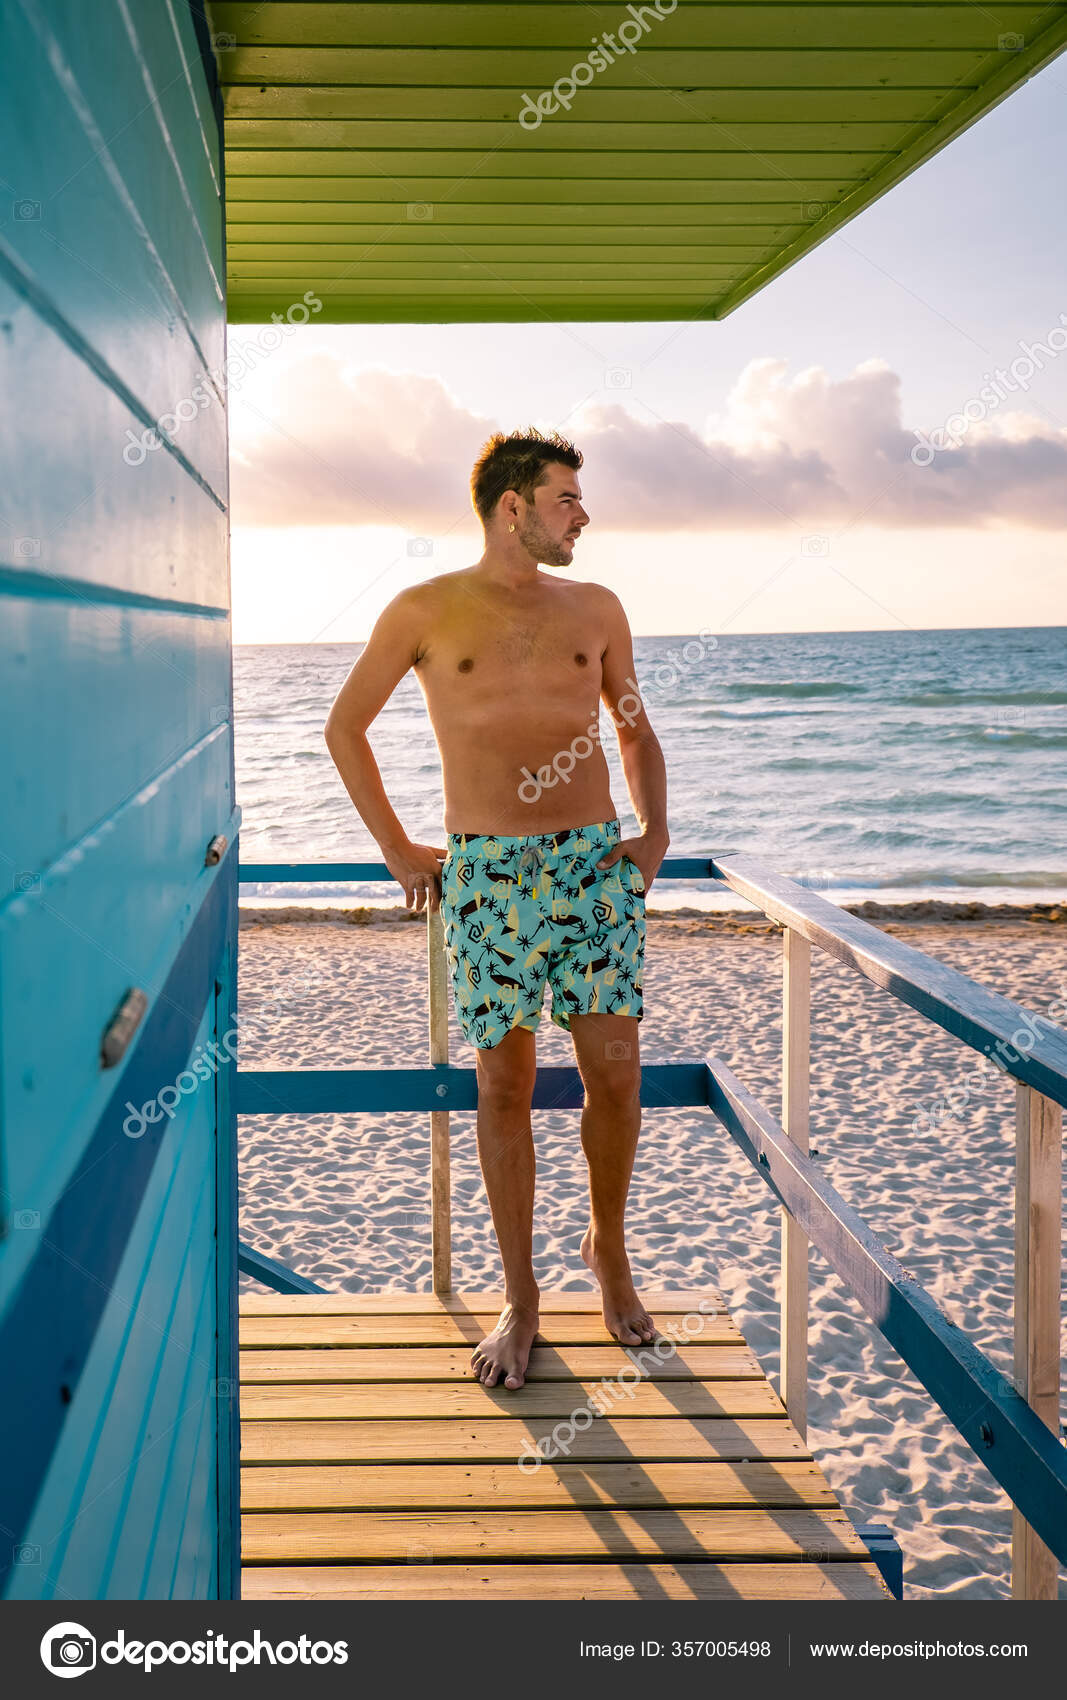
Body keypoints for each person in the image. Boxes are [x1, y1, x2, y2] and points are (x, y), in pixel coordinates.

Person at [324, 428, 670, 1389]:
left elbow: (632, 729)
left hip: (593, 868)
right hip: (486, 877)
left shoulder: (595, 607)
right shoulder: (424, 609)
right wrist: (397, 848)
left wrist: (655, 831)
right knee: (503, 1087)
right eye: (566, 498)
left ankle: (608, 1251)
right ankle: (520, 1298)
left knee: (616, 1073)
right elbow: (343, 727)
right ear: (512, 505)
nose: (582, 515)